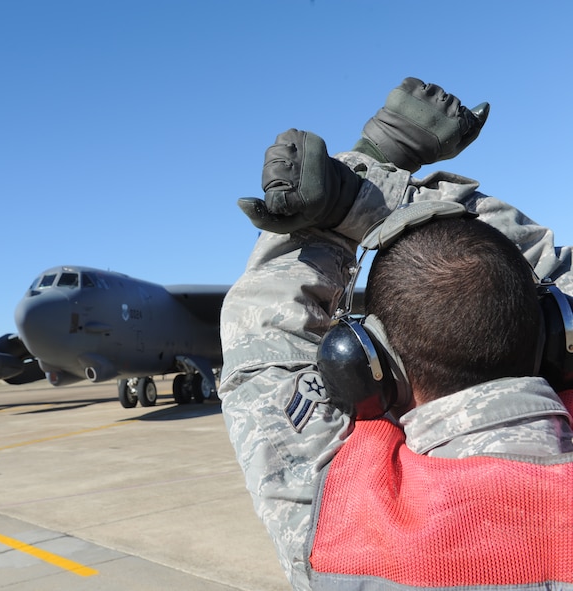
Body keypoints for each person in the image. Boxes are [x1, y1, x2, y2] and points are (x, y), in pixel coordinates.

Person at [219, 78, 573, 590]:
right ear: (552, 329)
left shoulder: (342, 520)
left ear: (368, 361)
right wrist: (368, 189)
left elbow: (260, 326)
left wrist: (369, 163)